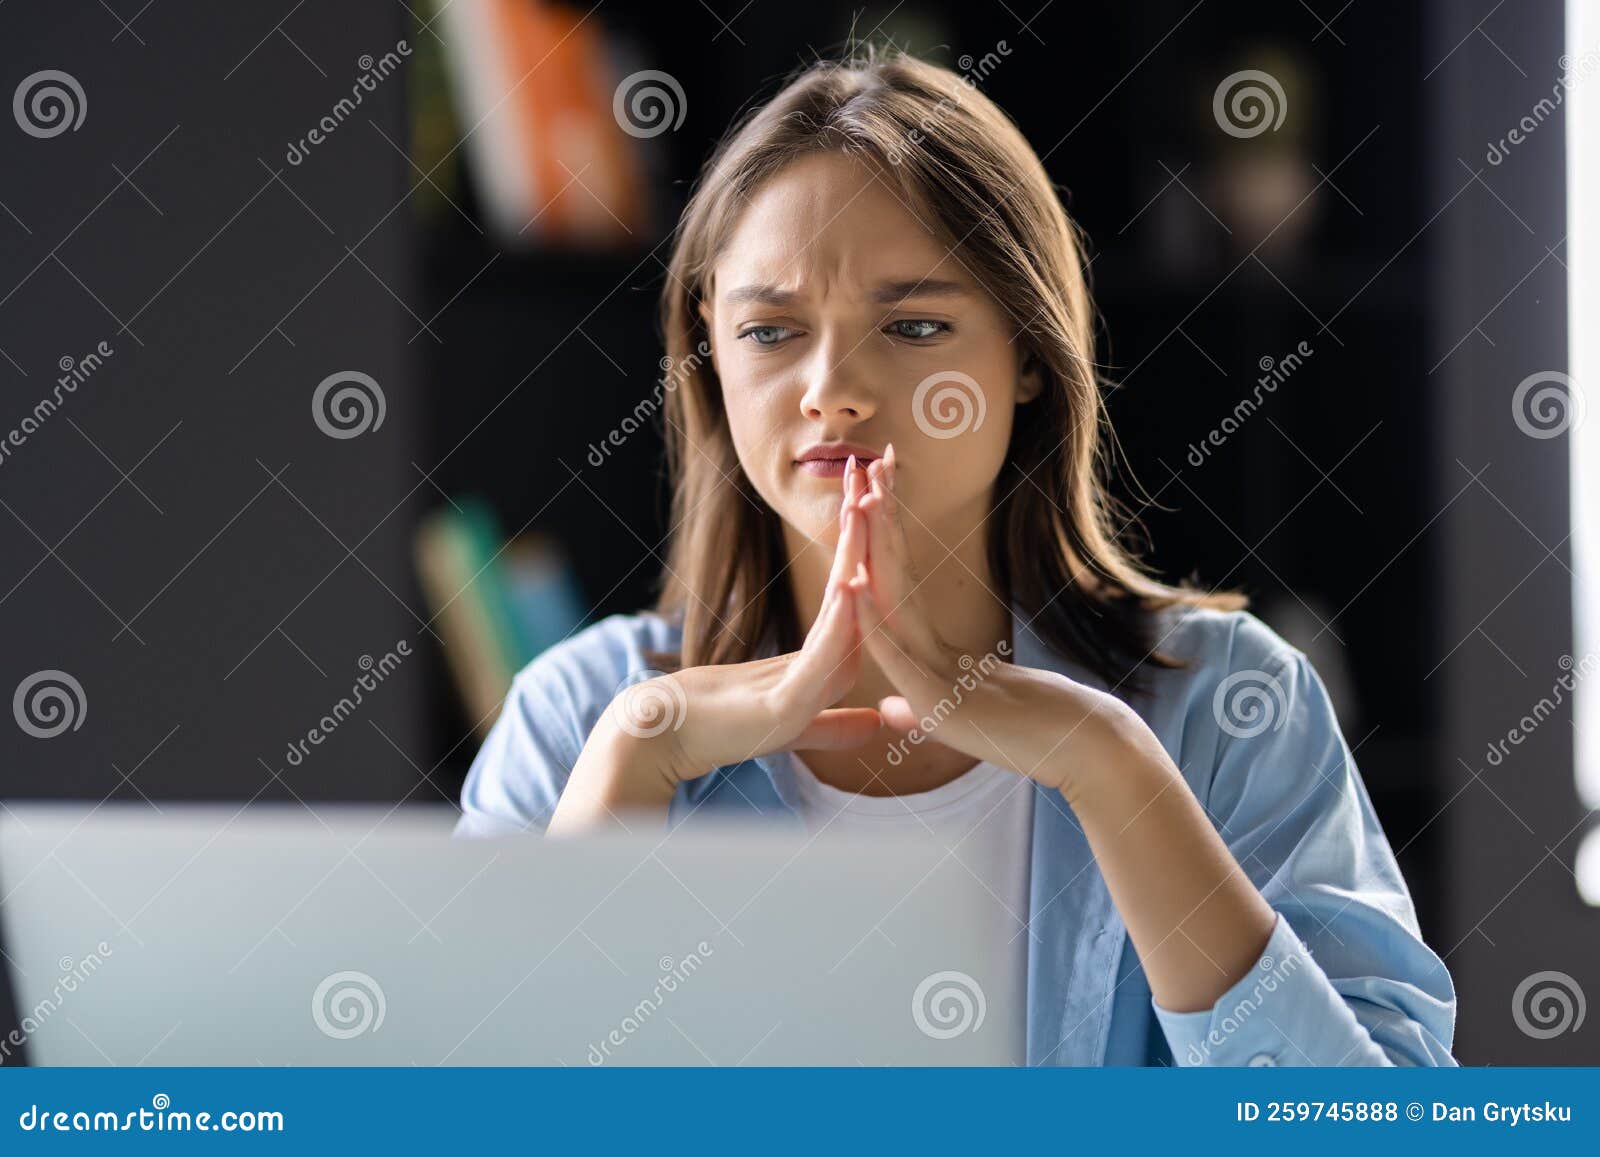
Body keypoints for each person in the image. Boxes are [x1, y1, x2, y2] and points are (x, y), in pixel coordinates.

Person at [454, 48, 1457, 1068]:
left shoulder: (1234, 703)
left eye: (915, 323)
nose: (832, 390)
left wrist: (1108, 763)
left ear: (1027, 355)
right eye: (769, 330)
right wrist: (634, 756)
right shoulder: (578, 718)